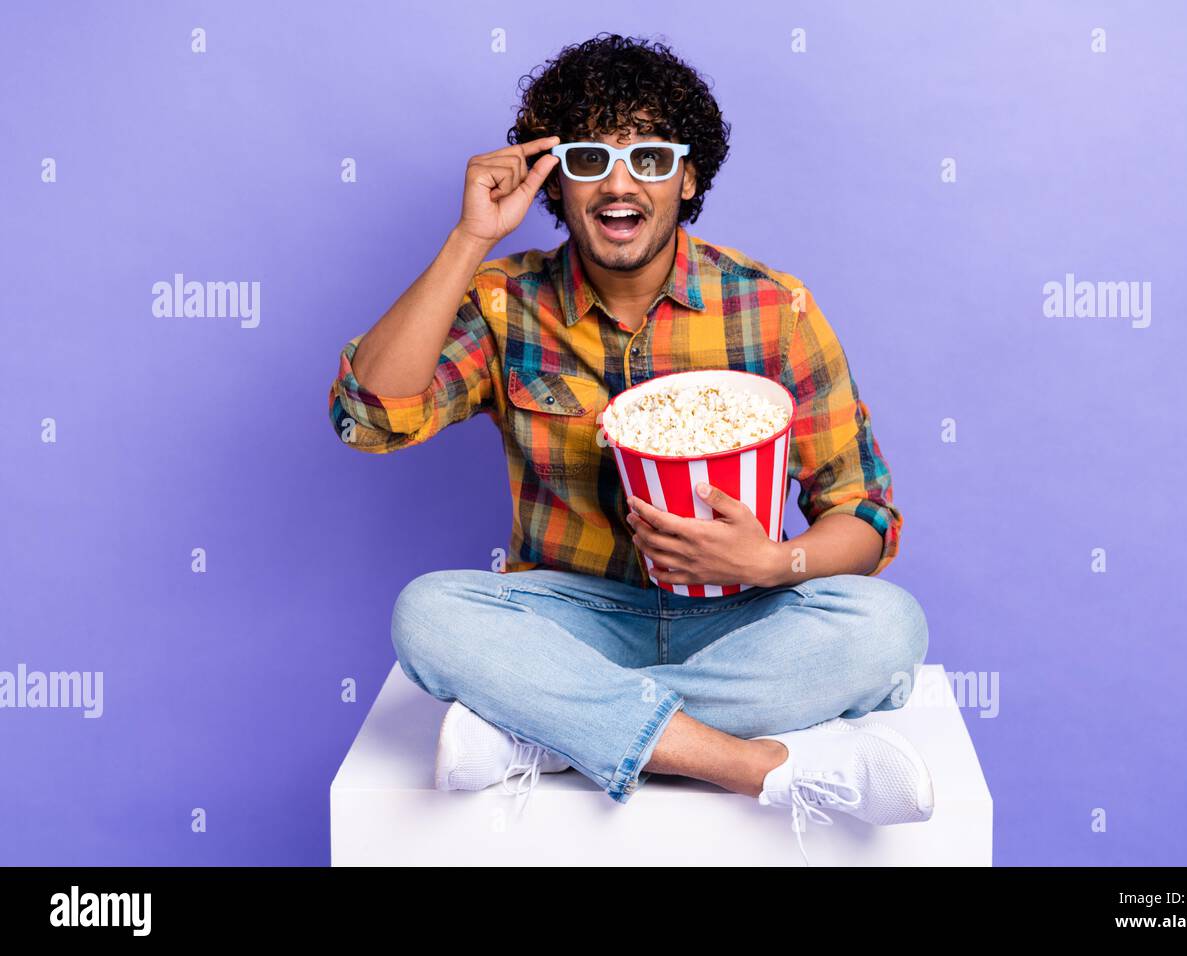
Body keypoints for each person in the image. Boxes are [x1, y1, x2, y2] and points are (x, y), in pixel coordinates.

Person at [327, 33, 933, 864]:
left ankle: (546, 731)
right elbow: (368, 417)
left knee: (887, 627)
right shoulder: (508, 303)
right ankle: (746, 761)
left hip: (738, 621)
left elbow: (866, 515)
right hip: (571, 618)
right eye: (589, 158)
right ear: (556, 180)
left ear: (687, 178)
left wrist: (771, 564)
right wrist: (470, 239)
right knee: (428, 614)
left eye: (648, 157)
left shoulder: (773, 310)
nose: (619, 183)